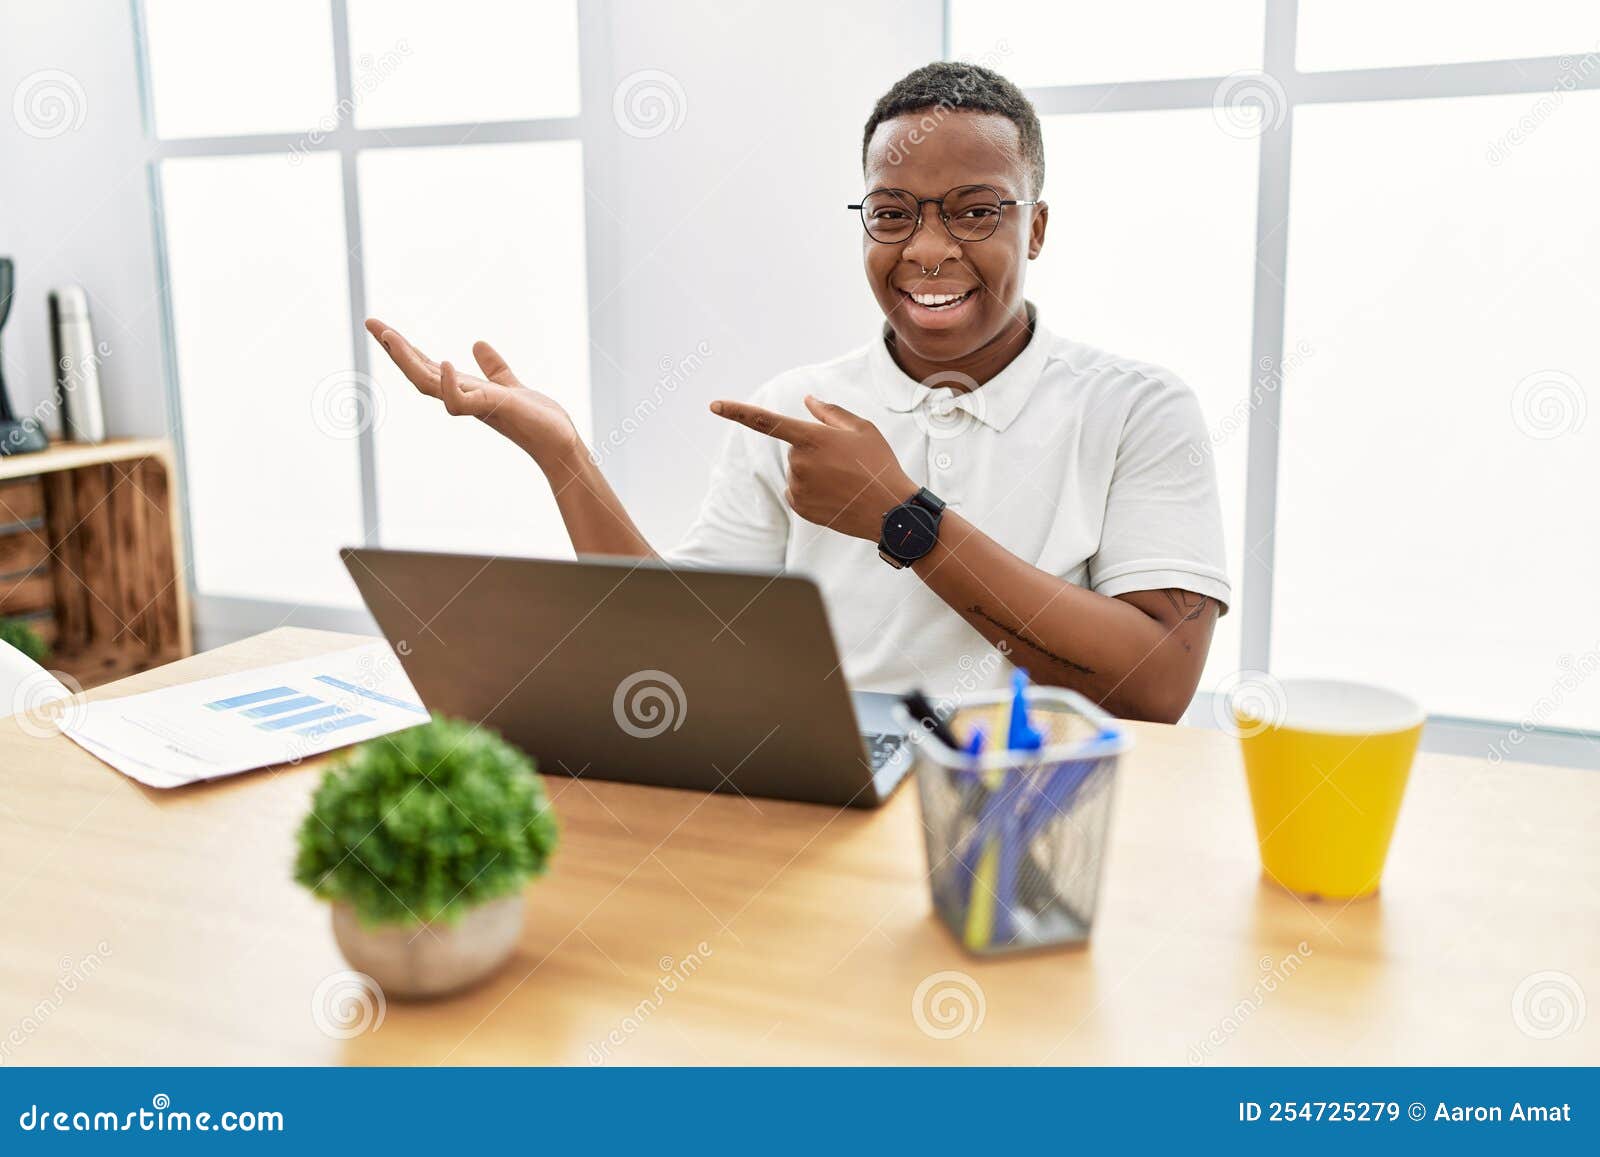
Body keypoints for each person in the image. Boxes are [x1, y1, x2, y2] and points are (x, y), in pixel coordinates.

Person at [366, 62, 1229, 723]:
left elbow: (1154, 686)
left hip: (1025, 802)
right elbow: (673, 645)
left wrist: (905, 518)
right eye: (893, 213)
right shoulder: (798, 409)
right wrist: (564, 457)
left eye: (974, 211)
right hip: (828, 800)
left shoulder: (1139, 409)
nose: (927, 249)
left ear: (1034, 227)